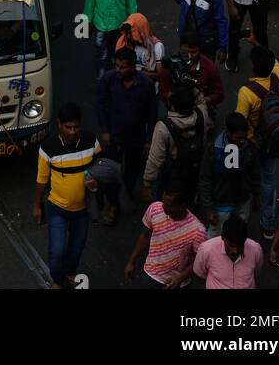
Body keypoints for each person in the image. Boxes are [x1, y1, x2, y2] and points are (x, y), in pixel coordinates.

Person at [32, 102, 101, 289]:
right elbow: (42, 179)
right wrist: (37, 205)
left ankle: (70, 272)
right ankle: (57, 280)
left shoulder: (91, 141)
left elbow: (101, 167)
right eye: (67, 127)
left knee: (77, 248)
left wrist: (97, 183)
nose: (72, 131)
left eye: (76, 127)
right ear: (59, 125)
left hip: (83, 209)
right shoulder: (48, 147)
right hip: (57, 208)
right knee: (57, 250)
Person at [96, 46, 157, 225]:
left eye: (123, 67)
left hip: (136, 137)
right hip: (113, 136)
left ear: (133, 67)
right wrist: (105, 131)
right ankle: (113, 205)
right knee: (110, 172)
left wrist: (148, 140)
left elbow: (152, 113)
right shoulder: (108, 79)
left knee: (131, 171)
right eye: (117, 66)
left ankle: (125, 194)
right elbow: (100, 105)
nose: (119, 70)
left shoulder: (145, 84)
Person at [235, 43, 279, 239]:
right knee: (268, 180)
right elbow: (274, 63)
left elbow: (240, 121)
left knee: (244, 177)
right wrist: (259, 44)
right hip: (272, 140)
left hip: (251, 142)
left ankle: (242, 218)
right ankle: (268, 224)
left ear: (254, 67)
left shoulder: (246, 92)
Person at [124, 184, 207, 287]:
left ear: (182, 206)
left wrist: (180, 278)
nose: (163, 206)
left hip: (174, 284)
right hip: (149, 274)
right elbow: (145, 236)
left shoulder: (198, 231)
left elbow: (199, 261)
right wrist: (131, 261)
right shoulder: (155, 208)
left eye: (169, 205)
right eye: (163, 202)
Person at [199, 111, 259, 237]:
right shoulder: (214, 150)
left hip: (243, 201)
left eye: (244, 137)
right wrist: (209, 209)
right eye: (238, 137)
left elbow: (255, 174)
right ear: (227, 132)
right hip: (221, 204)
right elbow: (205, 180)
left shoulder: (249, 148)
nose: (242, 141)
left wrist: (256, 196)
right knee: (215, 237)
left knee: (238, 234)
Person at [191, 214, 263, 289]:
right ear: (222, 237)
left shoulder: (256, 250)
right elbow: (199, 271)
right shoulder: (206, 249)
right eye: (231, 245)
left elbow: (256, 271)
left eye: (240, 245)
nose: (235, 251)